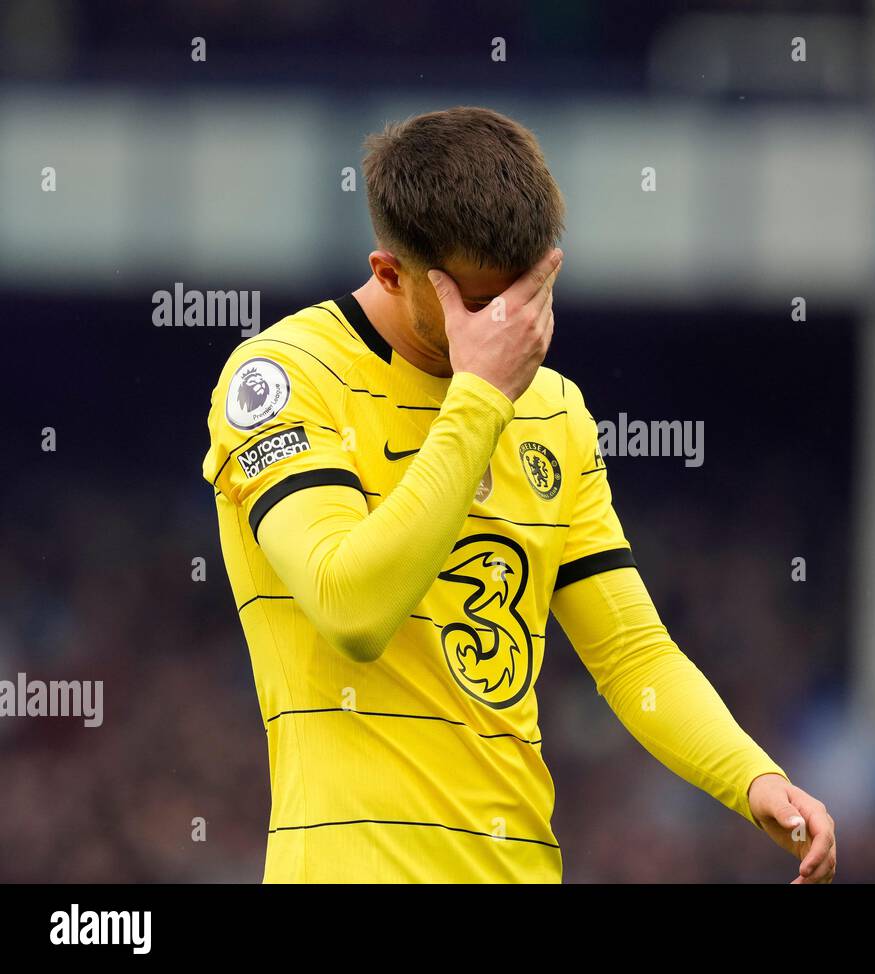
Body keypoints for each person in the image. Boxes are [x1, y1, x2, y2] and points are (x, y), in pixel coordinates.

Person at [201, 106, 835, 883]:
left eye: (524, 295)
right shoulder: (283, 379)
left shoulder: (553, 410)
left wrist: (753, 778)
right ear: (389, 273)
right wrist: (480, 399)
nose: (506, 327)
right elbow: (351, 609)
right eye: (475, 304)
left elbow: (631, 652)